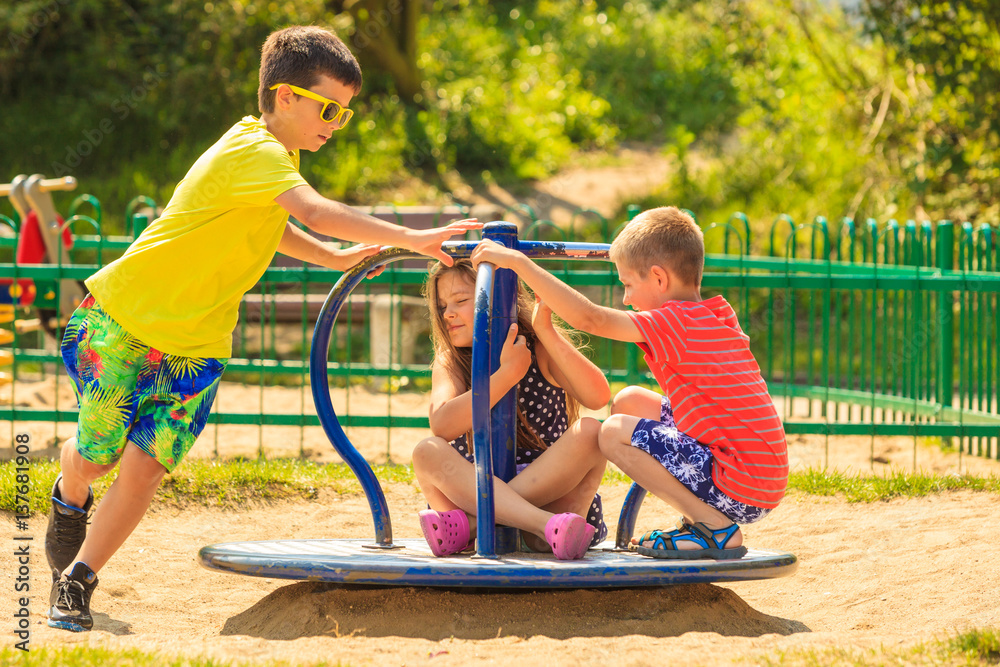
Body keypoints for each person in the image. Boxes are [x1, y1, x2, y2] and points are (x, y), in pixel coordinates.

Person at [45, 25, 481, 633]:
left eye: (345, 113)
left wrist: (329, 258)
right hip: (124, 325)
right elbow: (312, 210)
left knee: (144, 471)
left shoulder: (276, 160)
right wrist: (410, 237)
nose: (336, 121)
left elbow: (268, 223)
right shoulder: (254, 151)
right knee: (99, 461)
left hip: (197, 350)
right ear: (283, 96)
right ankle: (72, 484)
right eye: (328, 107)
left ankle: (78, 580)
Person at [471, 206, 788, 560]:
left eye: (627, 285)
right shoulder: (714, 314)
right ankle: (698, 522)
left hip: (739, 485)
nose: (626, 299)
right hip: (757, 473)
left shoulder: (674, 321)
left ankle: (714, 527)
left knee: (612, 432)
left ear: (658, 278)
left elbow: (592, 318)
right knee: (630, 402)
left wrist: (518, 263)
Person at [412, 259, 610, 560]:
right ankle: (542, 526)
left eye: (462, 300)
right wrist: (505, 376)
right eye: (441, 306)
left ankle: (478, 527)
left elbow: (597, 397)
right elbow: (442, 425)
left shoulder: (538, 348)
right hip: (486, 496)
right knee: (426, 451)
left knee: (593, 432)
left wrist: (547, 332)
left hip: (551, 500)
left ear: (501, 300)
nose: (448, 313)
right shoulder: (451, 360)